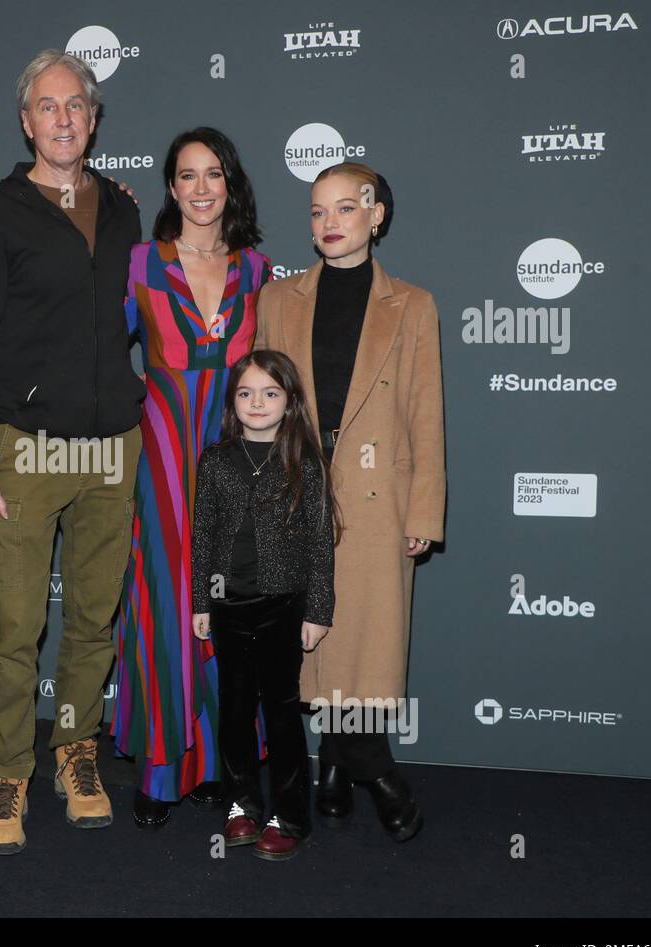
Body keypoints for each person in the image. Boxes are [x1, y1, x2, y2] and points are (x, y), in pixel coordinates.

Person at [0, 50, 143, 854]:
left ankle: (76, 752)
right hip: (23, 449)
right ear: (27, 122)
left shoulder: (127, 210)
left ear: (94, 120)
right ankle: (7, 773)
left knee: (95, 620)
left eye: (77, 105)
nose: (64, 118)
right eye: (47, 107)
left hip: (112, 450)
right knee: (17, 626)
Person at [257, 162, 445, 842]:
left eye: (344, 208)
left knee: (362, 640)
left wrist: (424, 511)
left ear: (377, 216)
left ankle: (344, 765)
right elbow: (260, 409)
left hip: (378, 496)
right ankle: (368, 771)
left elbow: (426, 413)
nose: (328, 223)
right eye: (316, 211)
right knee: (317, 636)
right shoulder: (278, 300)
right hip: (297, 488)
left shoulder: (414, 305)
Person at [109, 127, 273, 830]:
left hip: (238, 467)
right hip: (164, 465)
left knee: (231, 609)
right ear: (170, 188)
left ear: (229, 184)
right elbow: (93, 353)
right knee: (162, 608)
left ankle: (216, 762)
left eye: (214, 175)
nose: (201, 189)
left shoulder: (258, 272)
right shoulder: (141, 264)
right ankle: (160, 767)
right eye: (186, 175)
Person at [191, 350, 334, 860]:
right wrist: (201, 600)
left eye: (270, 393)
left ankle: (291, 812)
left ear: (290, 402)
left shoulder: (305, 462)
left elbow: (321, 542)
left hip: (284, 605)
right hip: (229, 606)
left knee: (280, 712)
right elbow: (202, 535)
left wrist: (318, 610)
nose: (257, 402)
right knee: (233, 711)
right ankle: (241, 804)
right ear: (233, 402)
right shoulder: (215, 460)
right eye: (246, 393)